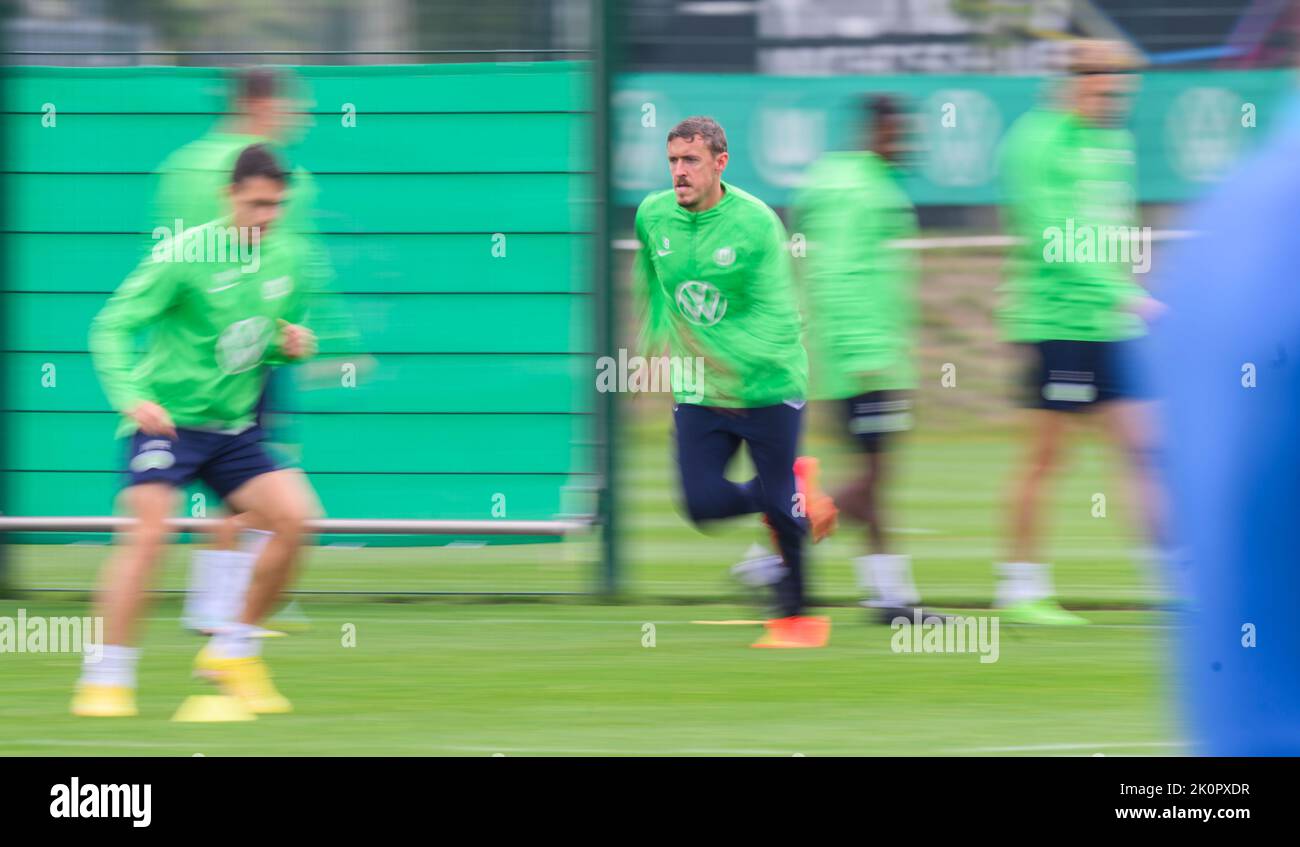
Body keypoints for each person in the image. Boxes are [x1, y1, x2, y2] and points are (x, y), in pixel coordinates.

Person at [72, 144, 318, 717]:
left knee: (298, 521)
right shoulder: (184, 255)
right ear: (228, 196)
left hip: (233, 430)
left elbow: (267, 341)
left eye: (275, 206)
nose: (265, 217)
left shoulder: (290, 259)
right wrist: (132, 398)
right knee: (149, 534)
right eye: (255, 204)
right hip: (168, 425)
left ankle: (232, 653)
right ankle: (105, 677)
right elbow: (111, 325)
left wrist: (292, 348)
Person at [634, 116, 835, 648]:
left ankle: (797, 621)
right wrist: (654, 330)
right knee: (702, 504)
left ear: (720, 163)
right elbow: (654, 279)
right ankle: (797, 490)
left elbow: (781, 316)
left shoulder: (755, 225)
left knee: (784, 516)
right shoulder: (653, 215)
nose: (679, 172)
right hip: (700, 388)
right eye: (673, 160)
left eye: (691, 161)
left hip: (767, 383)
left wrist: (741, 365)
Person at [994, 39, 1164, 625]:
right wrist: (1127, 296)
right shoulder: (1036, 141)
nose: (1116, 98)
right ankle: (1019, 588)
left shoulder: (1114, 139)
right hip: (1058, 320)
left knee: (1147, 447)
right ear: (1078, 79)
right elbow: (1052, 237)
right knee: (1047, 458)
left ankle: (1179, 577)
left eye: (1124, 89)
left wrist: (1128, 292)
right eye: (1108, 86)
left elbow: (1115, 224)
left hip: (1112, 323)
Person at [788, 93, 922, 621]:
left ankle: (889, 597)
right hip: (864, 360)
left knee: (877, 479)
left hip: (865, 356)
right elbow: (838, 276)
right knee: (872, 478)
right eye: (897, 133)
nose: (905, 144)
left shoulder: (860, 184)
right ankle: (780, 545)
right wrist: (866, 352)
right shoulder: (857, 192)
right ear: (874, 133)